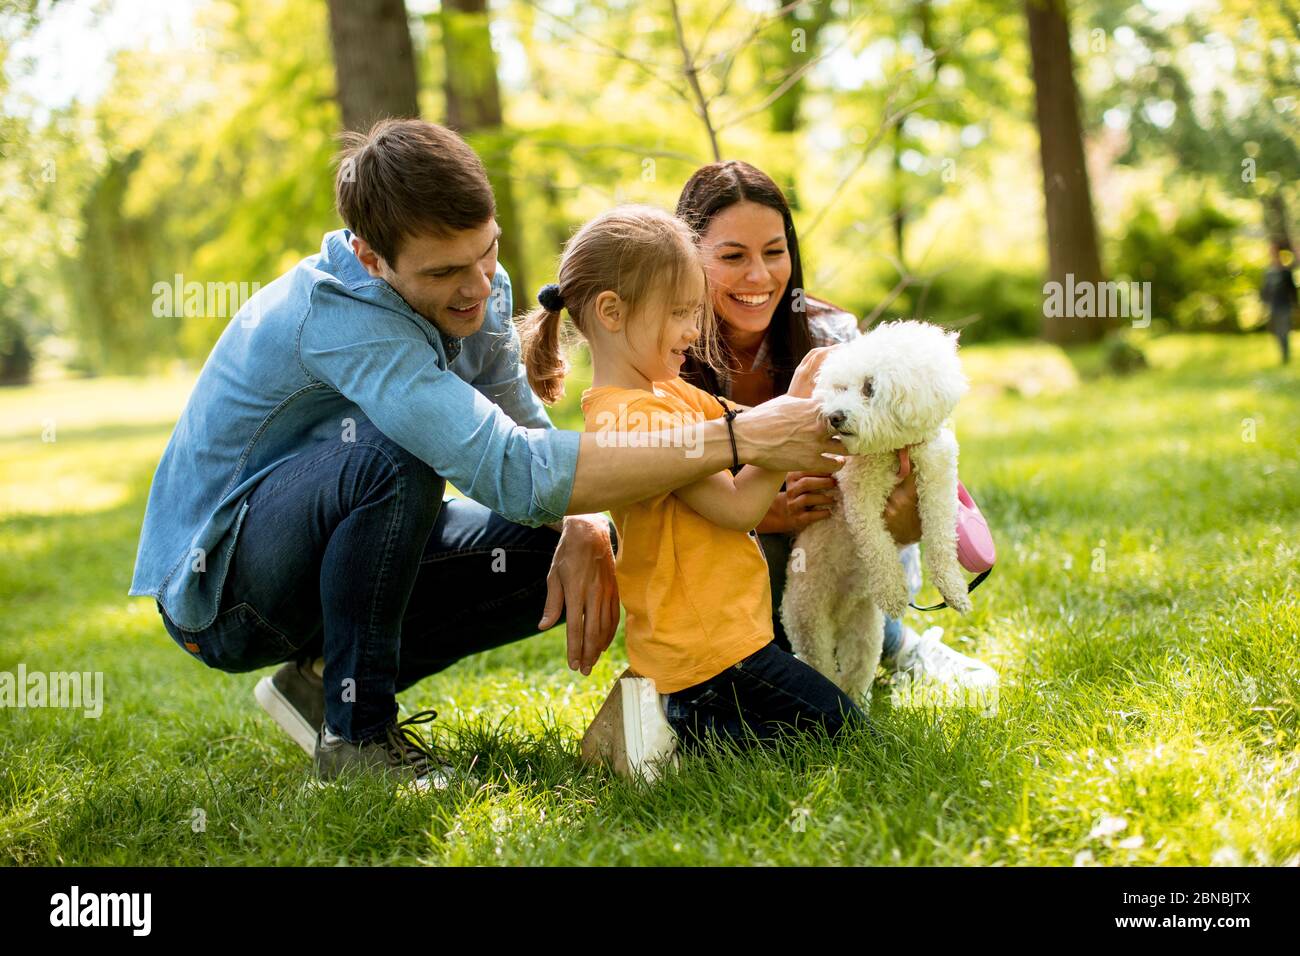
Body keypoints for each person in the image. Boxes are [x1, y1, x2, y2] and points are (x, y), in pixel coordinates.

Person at [127, 121, 852, 790]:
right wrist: (741, 438)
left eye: (489, 252)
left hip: (320, 554)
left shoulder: (477, 290)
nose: (478, 287)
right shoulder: (341, 317)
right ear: (369, 258)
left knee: (559, 540)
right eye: (445, 273)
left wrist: (586, 527)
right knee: (389, 459)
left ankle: (322, 684)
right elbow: (507, 469)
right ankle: (359, 739)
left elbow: (528, 437)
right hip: (227, 592)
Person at [519, 203, 874, 758]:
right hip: (711, 651)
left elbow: (748, 428)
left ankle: (675, 727)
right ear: (612, 311)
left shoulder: (670, 391)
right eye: (681, 313)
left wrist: (803, 405)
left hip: (725, 642)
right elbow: (738, 506)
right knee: (847, 736)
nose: (694, 329)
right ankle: (668, 737)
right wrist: (782, 444)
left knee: (799, 736)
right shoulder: (630, 420)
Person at [675, 160, 997, 693]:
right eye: (733, 257)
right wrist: (763, 511)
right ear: (689, 257)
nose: (759, 277)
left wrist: (906, 510)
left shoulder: (833, 335)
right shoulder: (669, 351)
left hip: (845, 550)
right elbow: (659, 491)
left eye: (775, 253)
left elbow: (908, 450)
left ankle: (892, 644)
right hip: (729, 564)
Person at [1260, 241, 1296, 365]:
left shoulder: (1285, 272)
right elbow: (1264, 290)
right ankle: (1282, 353)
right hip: (1272, 306)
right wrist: (1263, 304)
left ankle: (1285, 356)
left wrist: (1296, 306)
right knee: (1276, 332)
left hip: (1285, 305)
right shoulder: (1267, 272)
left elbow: (1292, 290)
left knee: (1284, 331)